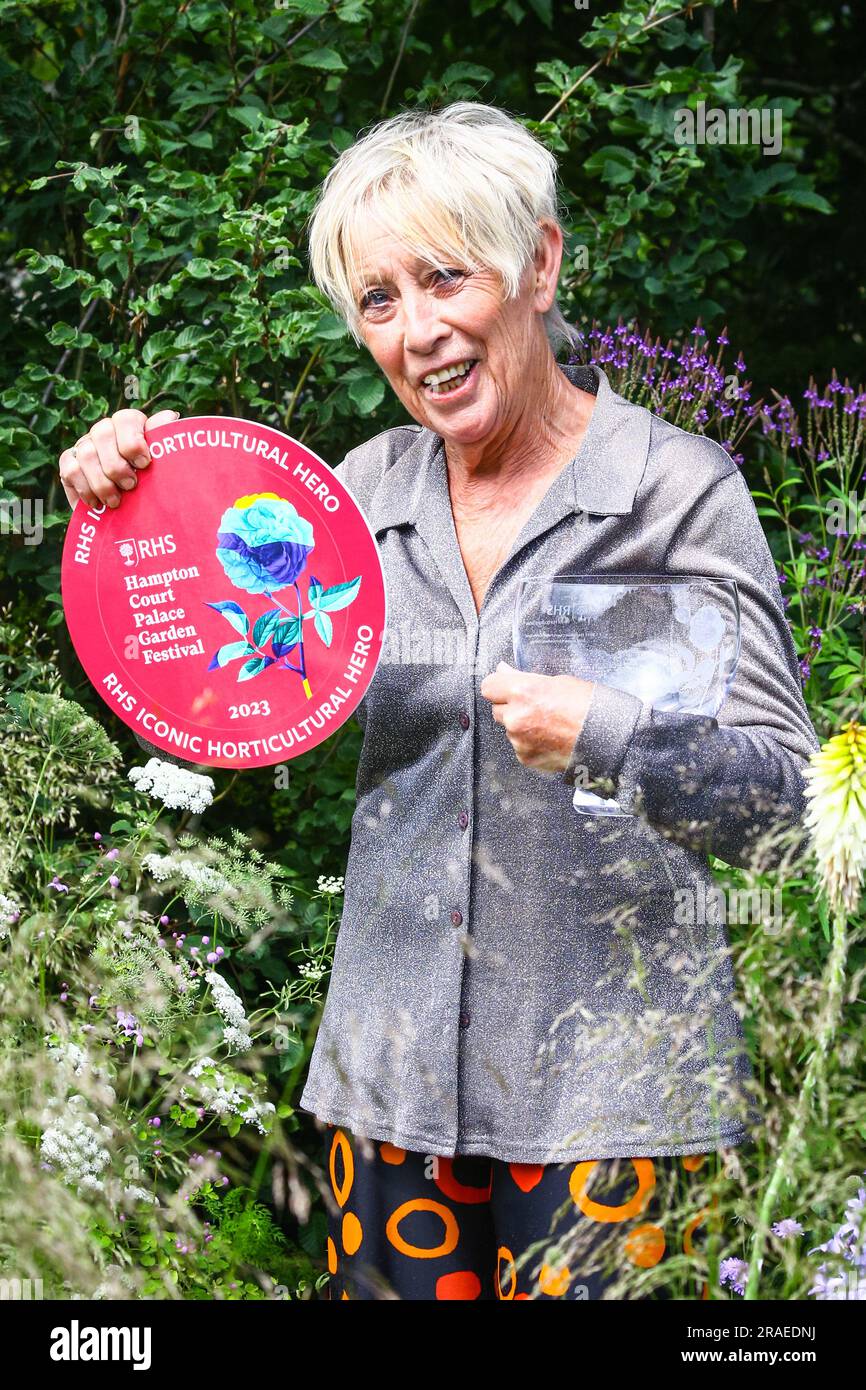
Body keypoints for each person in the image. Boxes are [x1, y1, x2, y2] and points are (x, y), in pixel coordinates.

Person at [58, 101, 821, 1302]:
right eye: (376, 300)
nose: (417, 332)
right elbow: (198, 688)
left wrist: (605, 736)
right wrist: (130, 512)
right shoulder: (350, 498)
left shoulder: (675, 492)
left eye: (444, 278)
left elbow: (790, 809)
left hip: (613, 1105)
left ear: (539, 264)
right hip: (390, 1097)